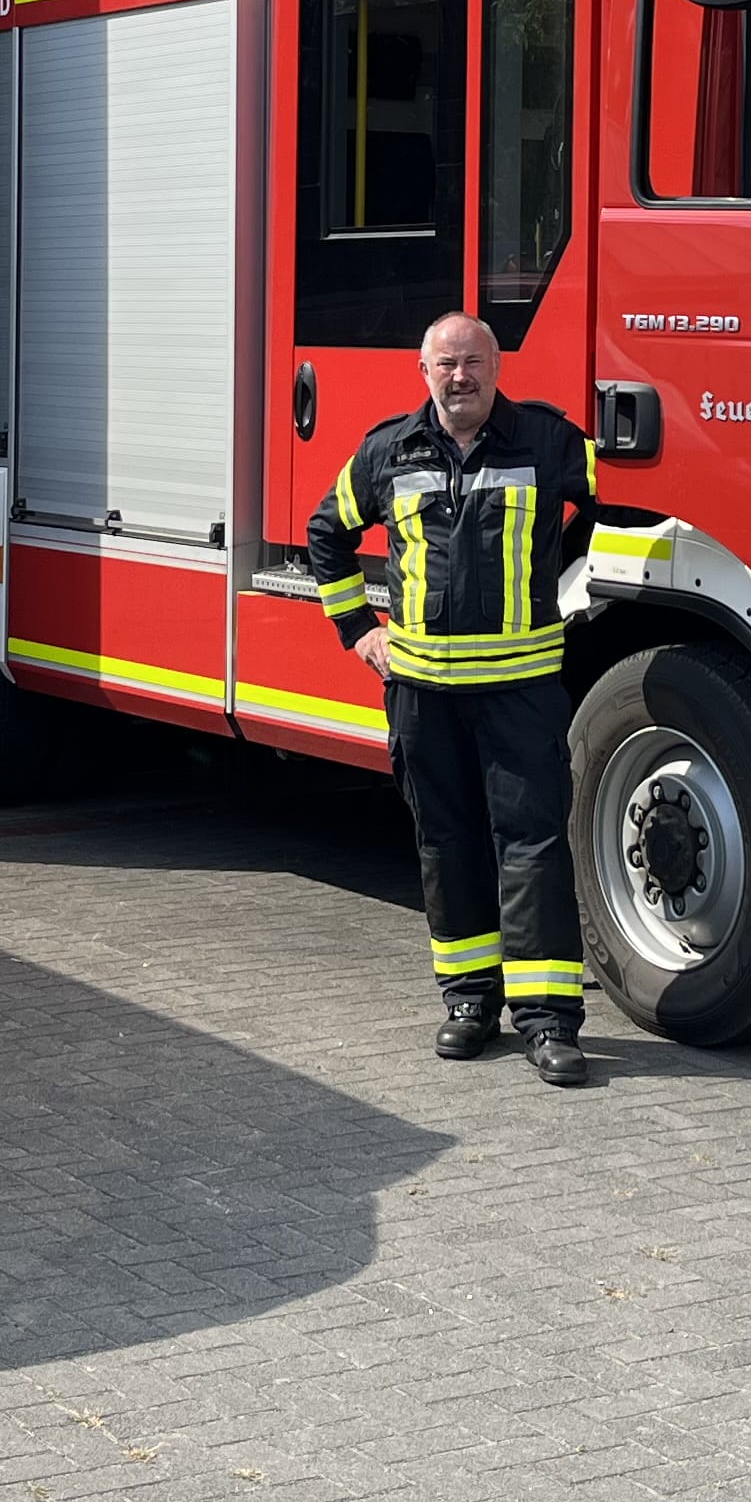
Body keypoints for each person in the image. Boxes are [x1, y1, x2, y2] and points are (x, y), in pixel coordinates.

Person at [305, 313, 601, 1085]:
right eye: (446, 364)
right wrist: (356, 630)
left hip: (519, 692)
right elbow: (326, 532)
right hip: (423, 694)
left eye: (473, 362)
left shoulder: (549, 443)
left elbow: (626, 506)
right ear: (423, 371)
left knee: (532, 848)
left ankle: (547, 1022)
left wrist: (581, 592)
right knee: (446, 846)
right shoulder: (387, 450)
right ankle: (469, 1003)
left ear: (498, 368)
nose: (459, 377)